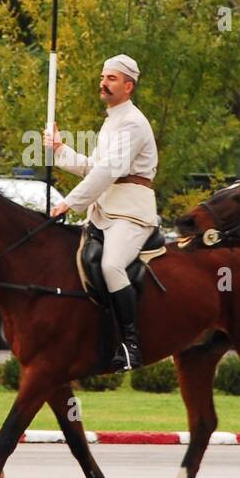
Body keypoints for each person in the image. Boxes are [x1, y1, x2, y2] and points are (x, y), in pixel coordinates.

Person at [46, 54, 159, 371]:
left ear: (128, 85)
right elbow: (92, 168)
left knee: (111, 266)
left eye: (111, 79)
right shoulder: (111, 121)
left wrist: (69, 202)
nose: (103, 83)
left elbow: (108, 171)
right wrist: (59, 150)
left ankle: (130, 346)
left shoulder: (133, 123)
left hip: (130, 213)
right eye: (102, 77)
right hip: (103, 211)